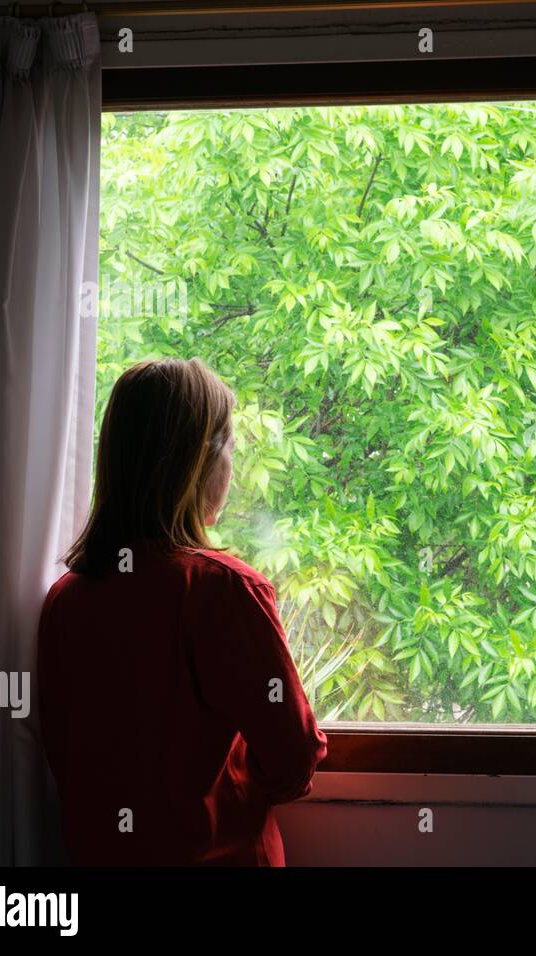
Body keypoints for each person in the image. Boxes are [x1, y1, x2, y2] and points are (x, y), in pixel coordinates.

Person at [37, 357, 327, 865]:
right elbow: (293, 760)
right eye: (231, 449)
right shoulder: (222, 591)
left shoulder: (66, 601)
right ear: (199, 463)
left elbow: (69, 761)